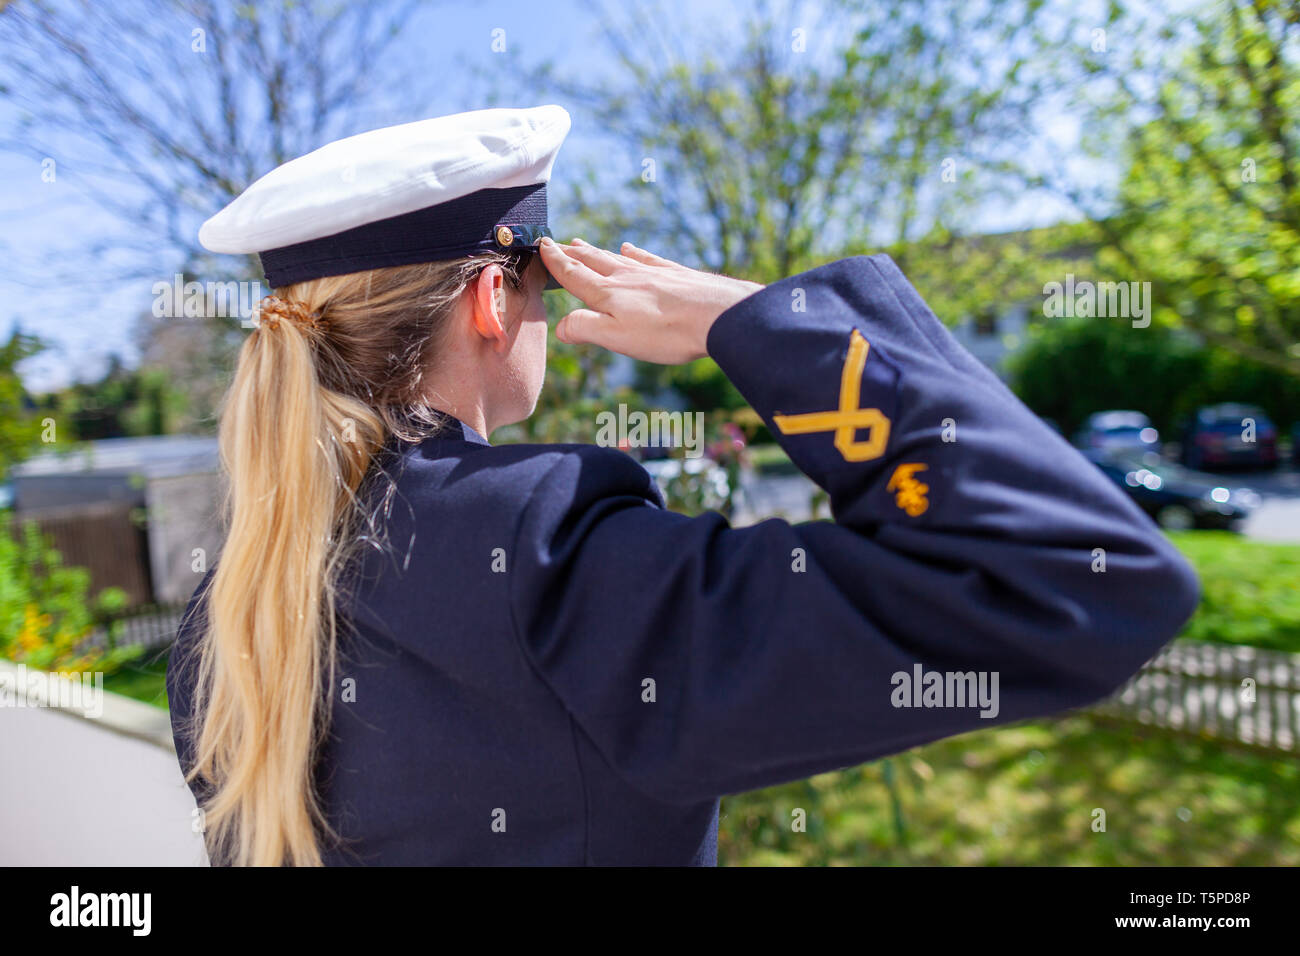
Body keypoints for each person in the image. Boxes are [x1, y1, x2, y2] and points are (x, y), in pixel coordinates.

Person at [167, 105, 1200, 866]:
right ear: (493, 297)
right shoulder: (546, 553)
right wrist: (759, 319)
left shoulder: (227, 616)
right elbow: (1077, 580)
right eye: (541, 273)